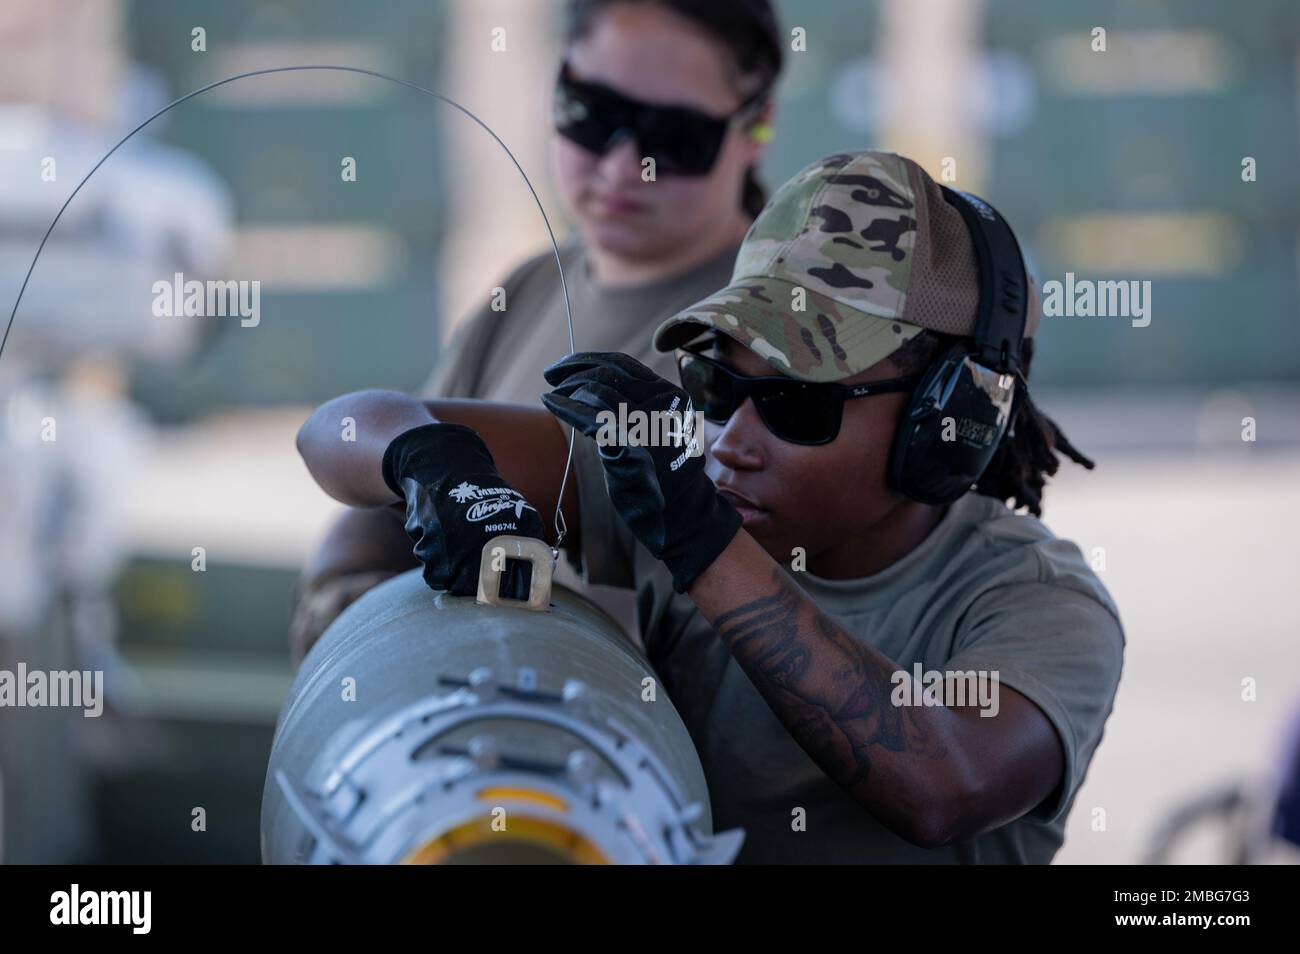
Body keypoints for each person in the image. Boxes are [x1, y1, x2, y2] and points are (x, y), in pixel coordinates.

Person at [296, 149, 1125, 863]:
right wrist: (433, 464)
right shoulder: (681, 488)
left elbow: (944, 783)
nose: (733, 439)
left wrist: (703, 544)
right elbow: (339, 428)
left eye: (800, 405)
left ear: (947, 423)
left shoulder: (1037, 604)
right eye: (717, 386)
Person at [289, 0, 784, 663]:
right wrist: (353, 612)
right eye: (592, 114)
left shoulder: (781, 344)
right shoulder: (527, 290)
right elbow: (377, 503)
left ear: (758, 126)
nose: (620, 165)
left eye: (674, 137)